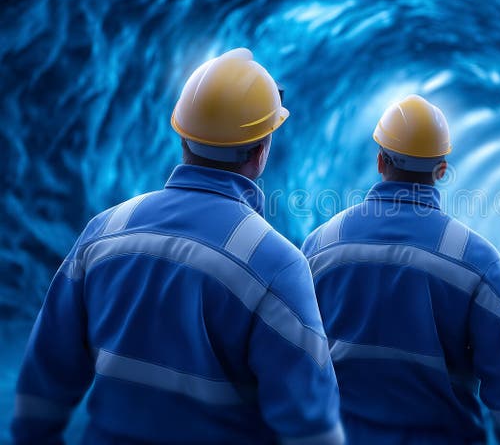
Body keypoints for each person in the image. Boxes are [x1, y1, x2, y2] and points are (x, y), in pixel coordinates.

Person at [11, 48, 344, 445]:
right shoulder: (276, 264)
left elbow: (45, 378)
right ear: (259, 152)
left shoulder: (104, 231)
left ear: (183, 135)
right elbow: (310, 426)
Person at [302, 95, 500, 445]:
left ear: (379, 161)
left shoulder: (320, 246)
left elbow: (296, 366)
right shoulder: (479, 261)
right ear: (442, 171)